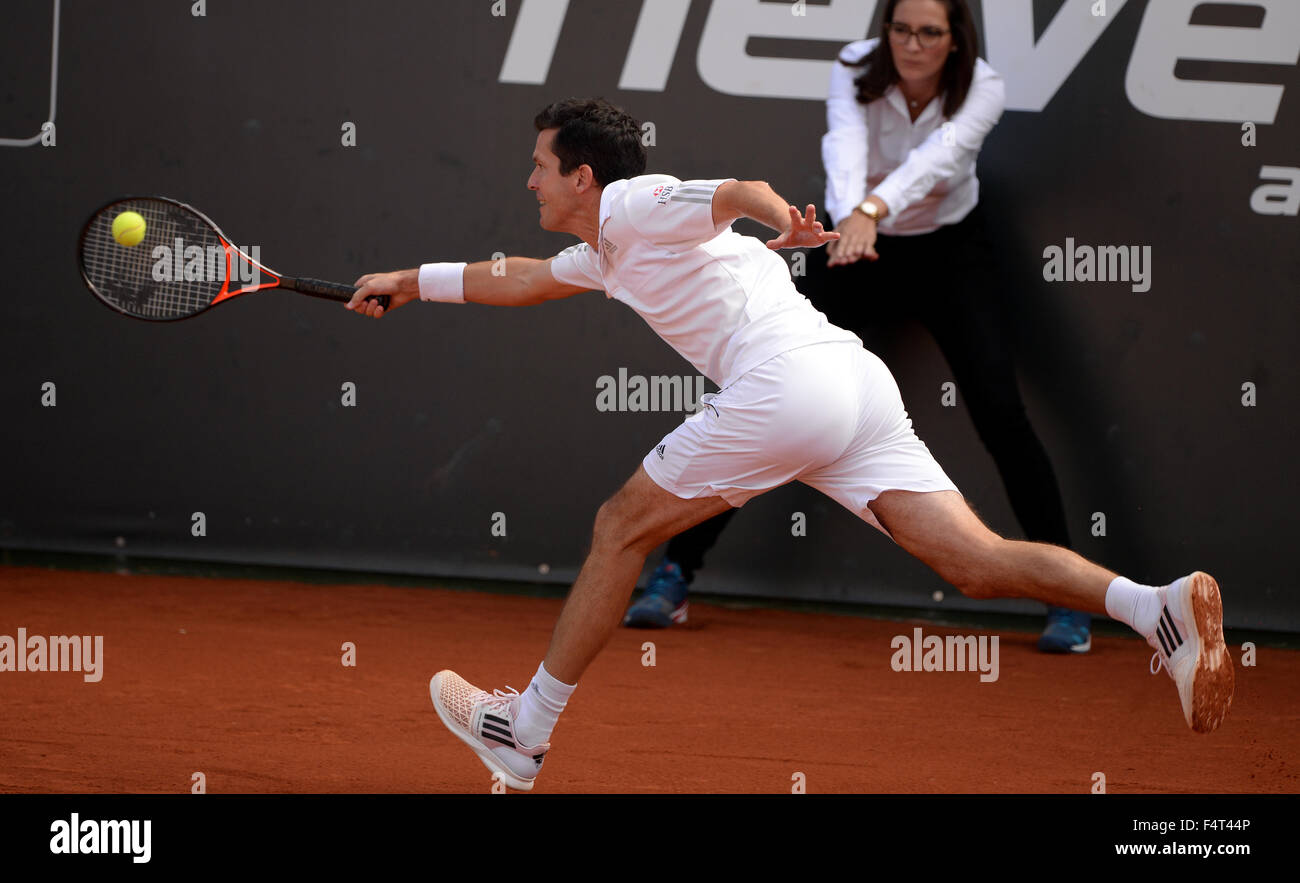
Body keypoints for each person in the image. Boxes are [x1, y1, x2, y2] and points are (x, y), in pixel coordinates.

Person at [346, 98, 1233, 792]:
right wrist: (410, 284)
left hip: (786, 388)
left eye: (539, 165)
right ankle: (1151, 607)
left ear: (583, 177)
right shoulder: (609, 249)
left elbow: (732, 194)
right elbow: (528, 279)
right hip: (850, 385)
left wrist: (785, 218)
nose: (528, 179)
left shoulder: (633, 200)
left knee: (620, 526)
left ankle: (525, 728)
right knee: (977, 560)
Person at [624, 0, 1092, 655]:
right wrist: (851, 218)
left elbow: (942, 159)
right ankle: (674, 574)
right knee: (761, 399)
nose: (913, 44)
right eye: (901, 29)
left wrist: (872, 207)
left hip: (949, 252)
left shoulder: (982, 86)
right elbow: (842, 145)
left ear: (956, 42)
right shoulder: (852, 67)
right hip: (852, 244)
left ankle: (1065, 597)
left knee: (999, 410)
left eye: (931, 33)